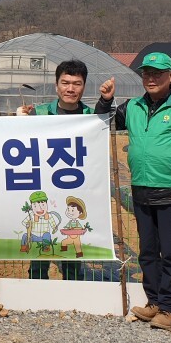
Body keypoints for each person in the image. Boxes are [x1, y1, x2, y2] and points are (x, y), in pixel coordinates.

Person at [96, 52, 171, 331]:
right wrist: (107, 99)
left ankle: (169, 307)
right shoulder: (132, 107)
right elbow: (102, 121)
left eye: (158, 73)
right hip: (142, 190)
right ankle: (154, 302)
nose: (151, 78)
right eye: (147, 73)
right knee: (147, 252)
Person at [16, 59, 109, 281]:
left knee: (72, 246)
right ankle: (37, 285)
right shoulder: (39, 114)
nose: (70, 88)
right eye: (65, 82)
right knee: (41, 244)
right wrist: (19, 121)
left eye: (76, 83)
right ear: (56, 85)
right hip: (43, 190)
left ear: (84, 86)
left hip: (75, 192)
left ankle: (73, 286)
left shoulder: (91, 117)